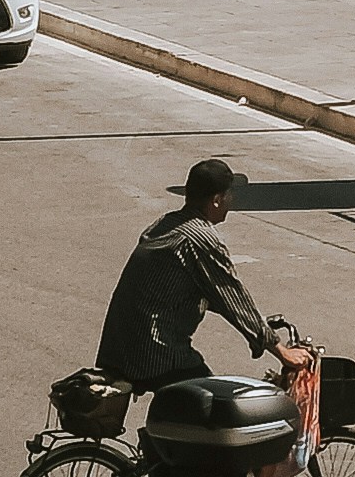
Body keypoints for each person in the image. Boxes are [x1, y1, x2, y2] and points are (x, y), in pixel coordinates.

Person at [98, 156, 282, 386]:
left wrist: (258, 323)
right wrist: (280, 350)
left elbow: (208, 293)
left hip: (118, 346)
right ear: (216, 200)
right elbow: (232, 296)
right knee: (214, 405)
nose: (231, 201)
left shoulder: (164, 224)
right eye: (229, 195)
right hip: (155, 352)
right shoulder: (201, 239)